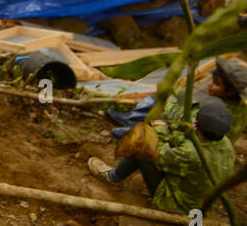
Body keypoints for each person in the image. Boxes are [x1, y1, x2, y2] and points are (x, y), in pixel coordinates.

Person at [87, 98, 235, 215]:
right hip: (200, 201)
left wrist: (160, 129)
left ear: (197, 124)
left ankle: (113, 177)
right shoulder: (225, 143)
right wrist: (171, 132)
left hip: (179, 204)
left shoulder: (190, 153)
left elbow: (157, 152)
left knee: (143, 147)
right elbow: (186, 141)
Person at [107, 57, 247, 143]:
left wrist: (172, 100)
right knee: (166, 93)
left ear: (230, 91)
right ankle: (132, 120)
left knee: (166, 106)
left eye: (217, 84)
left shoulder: (223, 114)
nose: (209, 84)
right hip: (193, 128)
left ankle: (136, 132)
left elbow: (186, 124)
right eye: (212, 79)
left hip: (193, 142)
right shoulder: (227, 99)